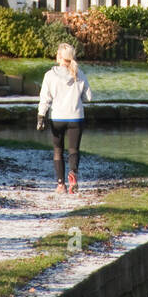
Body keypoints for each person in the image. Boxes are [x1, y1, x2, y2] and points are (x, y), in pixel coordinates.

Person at [37, 42, 93, 194]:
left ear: (59, 57)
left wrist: (41, 116)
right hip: (76, 117)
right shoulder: (79, 74)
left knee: (57, 150)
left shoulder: (49, 75)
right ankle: (73, 174)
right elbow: (88, 97)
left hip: (57, 118)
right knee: (74, 149)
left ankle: (60, 184)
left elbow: (45, 98)